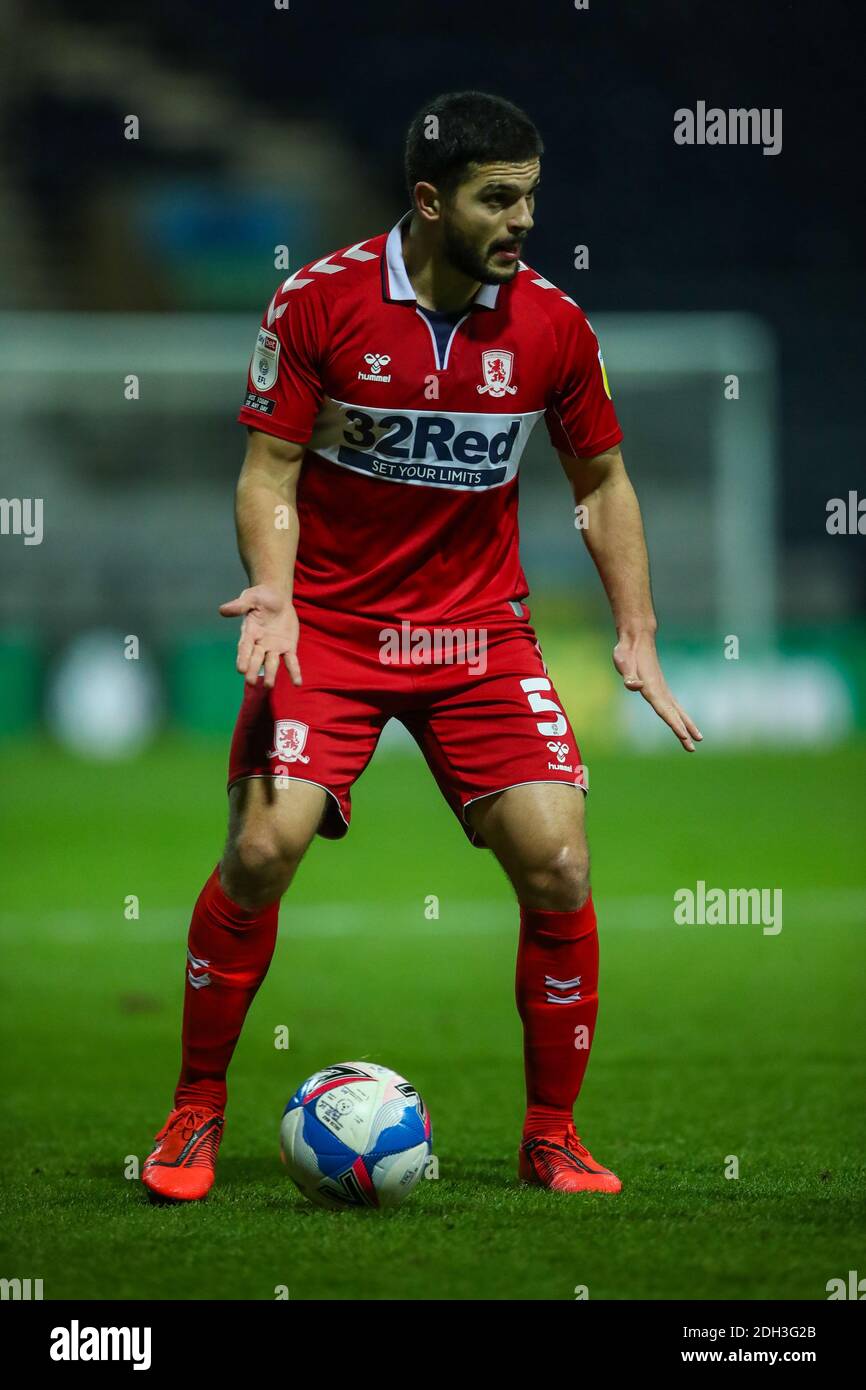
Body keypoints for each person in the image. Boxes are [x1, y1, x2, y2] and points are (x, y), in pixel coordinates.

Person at [142, 90, 701, 1203]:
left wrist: (633, 628)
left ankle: (552, 1135)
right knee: (260, 852)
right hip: (332, 628)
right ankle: (194, 1109)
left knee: (560, 862)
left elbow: (601, 479)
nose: (523, 221)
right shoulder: (319, 304)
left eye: (532, 198)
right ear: (429, 199)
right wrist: (272, 592)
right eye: (499, 199)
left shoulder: (550, 326)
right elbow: (271, 472)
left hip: (478, 634)